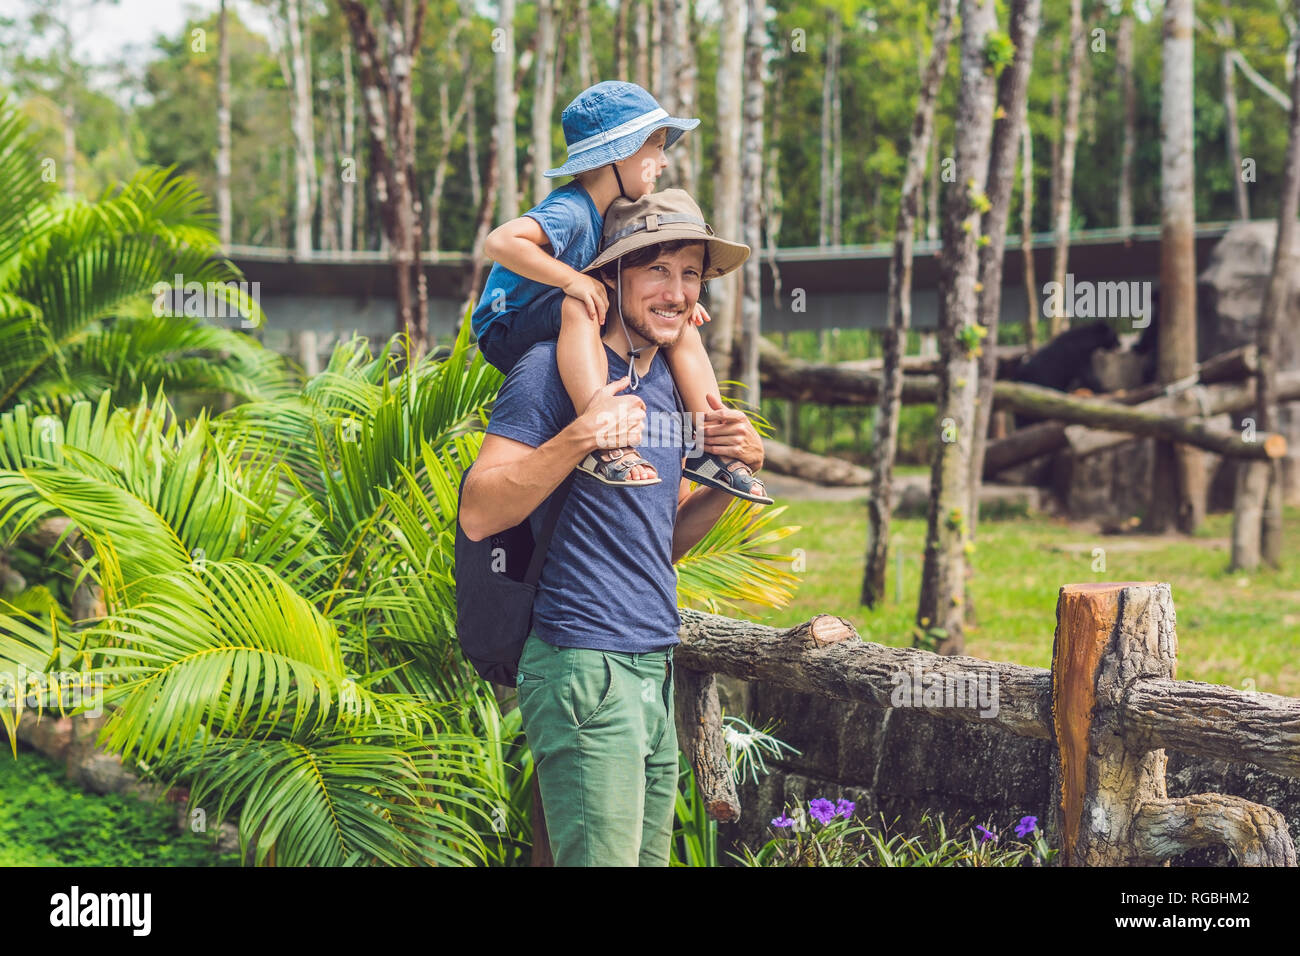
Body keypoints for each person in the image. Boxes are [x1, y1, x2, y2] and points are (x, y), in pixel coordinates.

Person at [459, 190, 764, 866]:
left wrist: (729, 478)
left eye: (690, 273)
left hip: (653, 661)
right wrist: (577, 438)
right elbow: (479, 511)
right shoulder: (548, 375)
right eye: (657, 269)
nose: (677, 291)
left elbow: (662, 543)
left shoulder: (668, 388)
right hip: (583, 664)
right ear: (612, 276)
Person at [470, 80, 770, 504]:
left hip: (558, 313)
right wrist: (571, 280)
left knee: (681, 329)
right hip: (510, 323)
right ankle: (604, 433)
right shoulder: (572, 208)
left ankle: (713, 444)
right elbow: (500, 242)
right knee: (580, 303)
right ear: (622, 153)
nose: (663, 163)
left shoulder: (609, 213)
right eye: (657, 147)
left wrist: (677, 302)